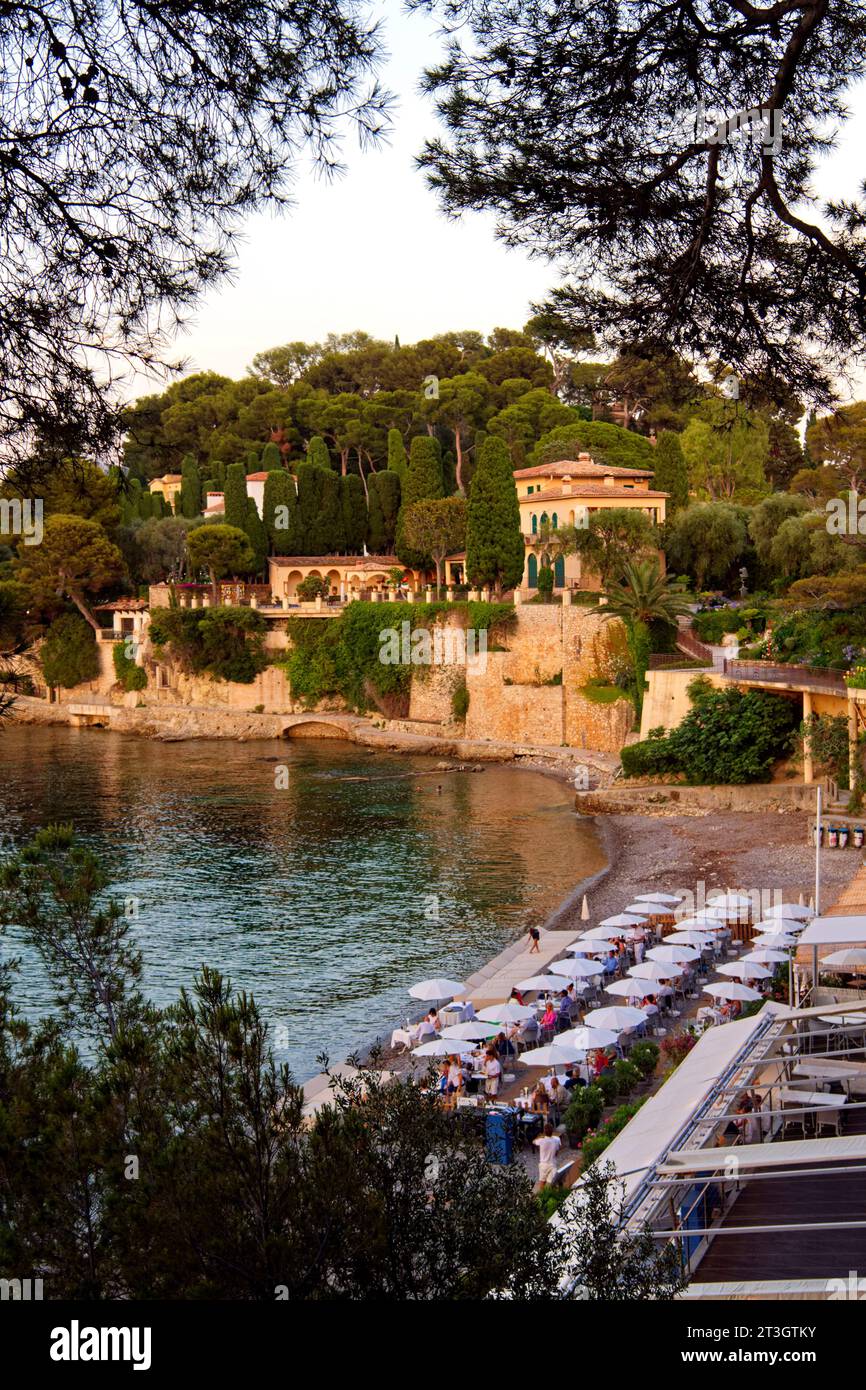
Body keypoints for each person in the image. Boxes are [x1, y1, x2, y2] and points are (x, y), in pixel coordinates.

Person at [533, 1122, 562, 1188]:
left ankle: (542, 1197)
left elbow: (534, 1141)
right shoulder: (557, 1139)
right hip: (552, 1164)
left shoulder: (541, 1140)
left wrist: (541, 1136)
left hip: (543, 1165)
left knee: (542, 1183)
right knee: (551, 1184)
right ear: (552, 1131)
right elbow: (557, 1152)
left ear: (544, 1131)